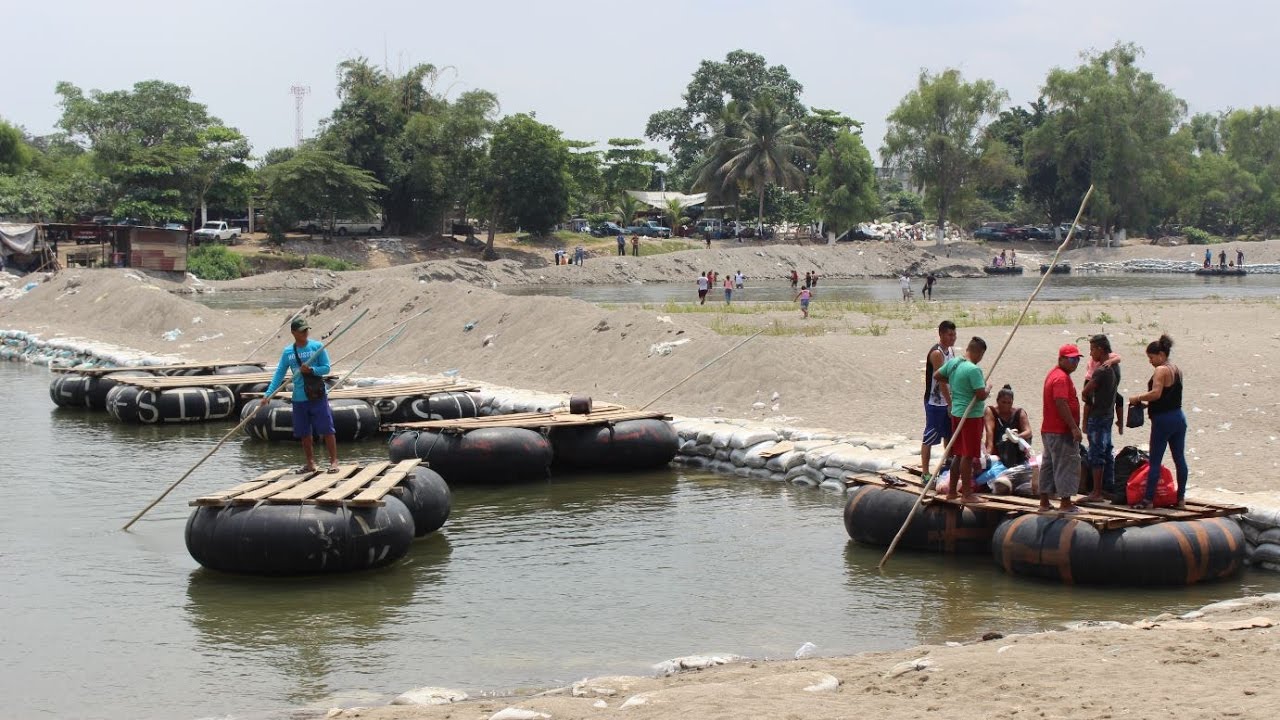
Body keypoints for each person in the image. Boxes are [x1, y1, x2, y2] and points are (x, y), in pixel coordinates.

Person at [260, 317, 340, 473]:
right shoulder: (288, 352)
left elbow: (326, 368)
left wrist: (311, 370)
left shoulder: (317, 346)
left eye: (306, 330)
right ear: (293, 333)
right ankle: (310, 464)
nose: (305, 333)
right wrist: (268, 394)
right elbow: (279, 374)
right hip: (298, 398)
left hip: (317, 396)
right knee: (304, 432)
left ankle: (334, 462)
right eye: (301, 330)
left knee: (327, 428)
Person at [1128, 334, 1189, 509]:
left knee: (1155, 460)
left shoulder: (1161, 370)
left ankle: (1147, 500)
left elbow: (1156, 394)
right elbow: (1169, 396)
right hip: (1178, 417)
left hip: (1163, 421)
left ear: (1161, 355)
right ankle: (1181, 498)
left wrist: (1137, 398)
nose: (1150, 361)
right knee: (1179, 459)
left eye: (1151, 357)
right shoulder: (1176, 369)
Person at [934, 336, 990, 502]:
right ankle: (967, 493)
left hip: (957, 413)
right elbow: (980, 395)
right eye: (981, 355)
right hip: (971, 416)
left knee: (958, 453)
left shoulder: (955, 362)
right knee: (967, 455)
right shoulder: (973, 370)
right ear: (978, 352)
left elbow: (938, 375)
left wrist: (953, 381)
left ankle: (952, 491)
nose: (980, 359)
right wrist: (988, 388)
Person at [1039, 344, 1084, 513]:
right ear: (1061, 359)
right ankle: (1065, 503)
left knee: (1049, 465)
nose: (1075, 363)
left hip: (1049, 429)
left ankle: (1044, 502)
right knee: (1066, 464)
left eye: (1077, 359)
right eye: (1072, 359)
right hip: (1060, 430)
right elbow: (1060, 402)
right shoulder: (1060, 378)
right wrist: (1073, 427)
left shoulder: (1055, 374)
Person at [1081, 334, 1121, 501]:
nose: (1091, 354)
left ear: (1100, 349)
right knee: (1107, 451)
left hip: (1098, 416)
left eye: (1092, 350)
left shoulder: (1101, 370)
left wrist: (1086, 399)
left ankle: (1096, 492)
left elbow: (1085, 391)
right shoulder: (1115, 368)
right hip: (1108, 415)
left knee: (1096, 452)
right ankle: (1107, 488)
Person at [920, 320, 958, 483]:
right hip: (935, 402)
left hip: (948, 399)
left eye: (954, 334)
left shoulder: (950, 351)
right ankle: (925, 472)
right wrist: (949, 403)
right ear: (941, 334)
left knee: (948, 435)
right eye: (950, 335)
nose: (953, 338)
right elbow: (942, 380)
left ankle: (947, 465)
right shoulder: (936, 353)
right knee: (930, 436)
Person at [985, 385, 1032, 469]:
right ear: (997, 401)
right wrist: (988, 454)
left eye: (1009, 403)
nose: (1006, 405)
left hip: (1016, 451)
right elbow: (990, 433)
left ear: (1012, 402)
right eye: (1003, 402)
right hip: (998, 450)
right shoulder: (991, 411)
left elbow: (1028, 431)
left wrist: (1016, 436)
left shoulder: (1019, 412)